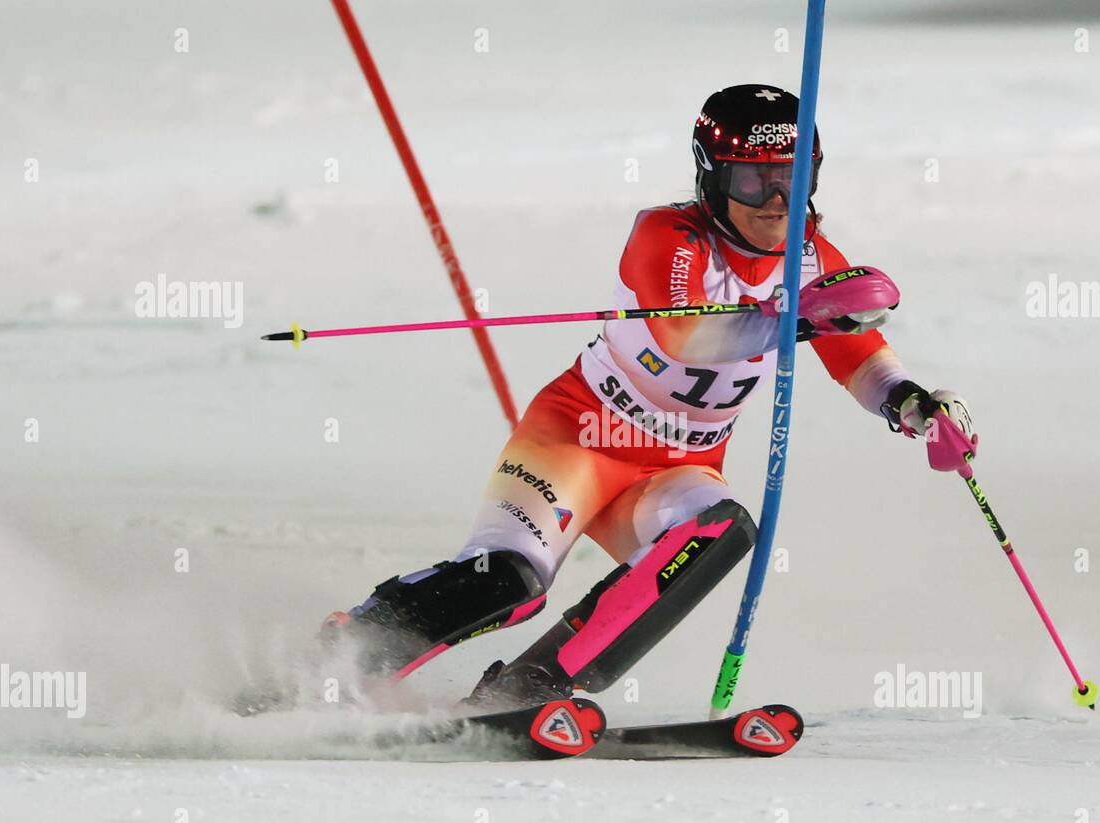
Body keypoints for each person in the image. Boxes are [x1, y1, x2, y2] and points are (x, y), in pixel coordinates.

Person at [324, 84, 972, 709]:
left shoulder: (812, 257)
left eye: (793, 176)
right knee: (511, 582)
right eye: (754, 180)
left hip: (674, 469)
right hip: (578, 440)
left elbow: (856, 354)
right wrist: (803, 318)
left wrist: (913, 406)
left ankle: (530, 686)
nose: (777, 199)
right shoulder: (668, 235)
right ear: (712, 177)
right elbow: (685, 336)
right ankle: (345, 652)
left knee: (720, 530)